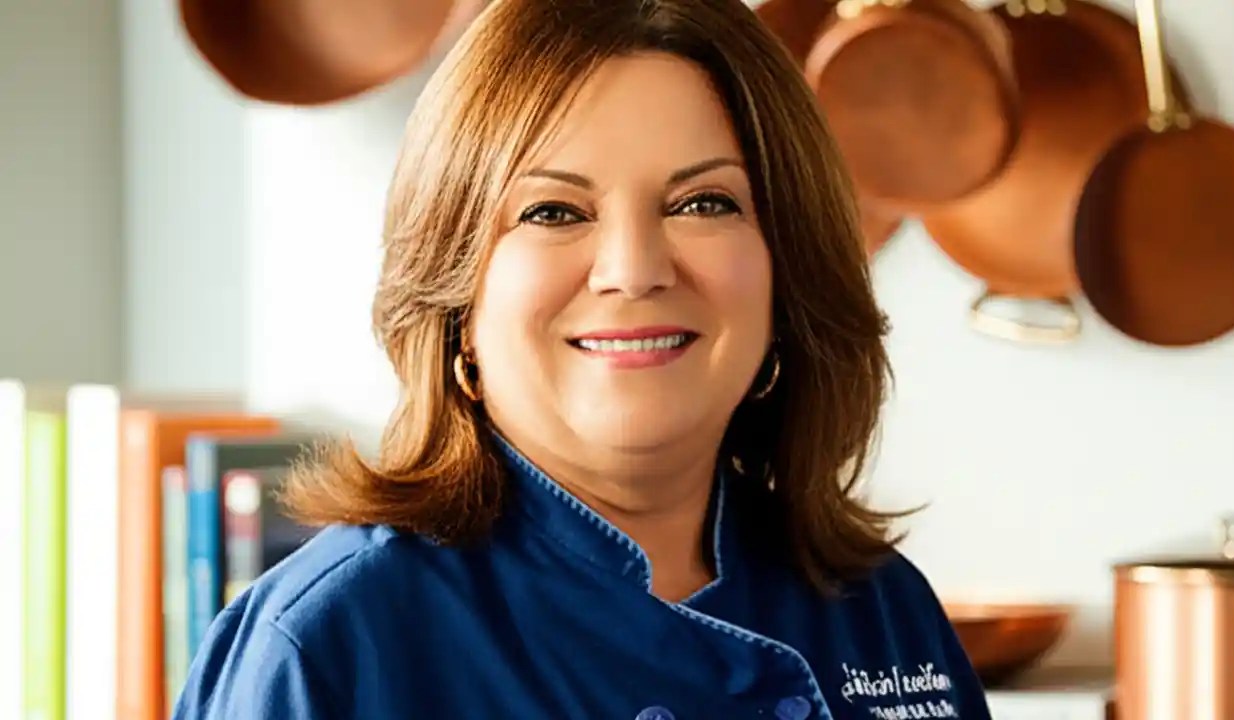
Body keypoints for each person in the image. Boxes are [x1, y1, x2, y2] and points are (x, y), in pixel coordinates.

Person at [174, 0, 992, 718]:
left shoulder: (881, 610)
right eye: (554, 210)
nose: (634, 269)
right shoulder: (328, 644)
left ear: (788, 269)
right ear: (457, 299)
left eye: (704, 202)